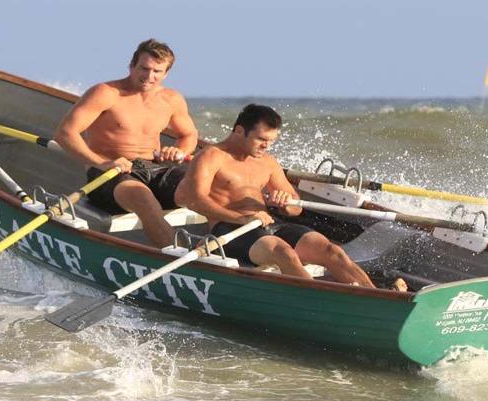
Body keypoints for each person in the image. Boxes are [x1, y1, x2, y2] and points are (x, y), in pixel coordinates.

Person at [175, 104, 382, 289]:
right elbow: (195, 200)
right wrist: (242, 218)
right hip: (230, 229)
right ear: (239, 131)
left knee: (331, 250)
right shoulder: (211, 156)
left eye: (271, 141)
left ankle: (374, 298)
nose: (266, 146)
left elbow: (296, 207)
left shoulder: (267, 162)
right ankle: (317, 301)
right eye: (261, 139)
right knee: (284, 252)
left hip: (267, 225)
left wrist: (285, 202)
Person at [54, 39, 198, 247]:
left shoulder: (171, 99)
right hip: (109, 175)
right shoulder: (106, 93)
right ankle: (184, 262)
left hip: (153, 169)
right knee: (144, 199)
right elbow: (65, 133)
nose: (149, 76)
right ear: (131, 66)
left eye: (157, 71)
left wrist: (178, 152)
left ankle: (240, 254)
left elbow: (189, 135)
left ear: (166, 73)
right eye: (144, 68)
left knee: (203, 188)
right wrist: (101, 162)